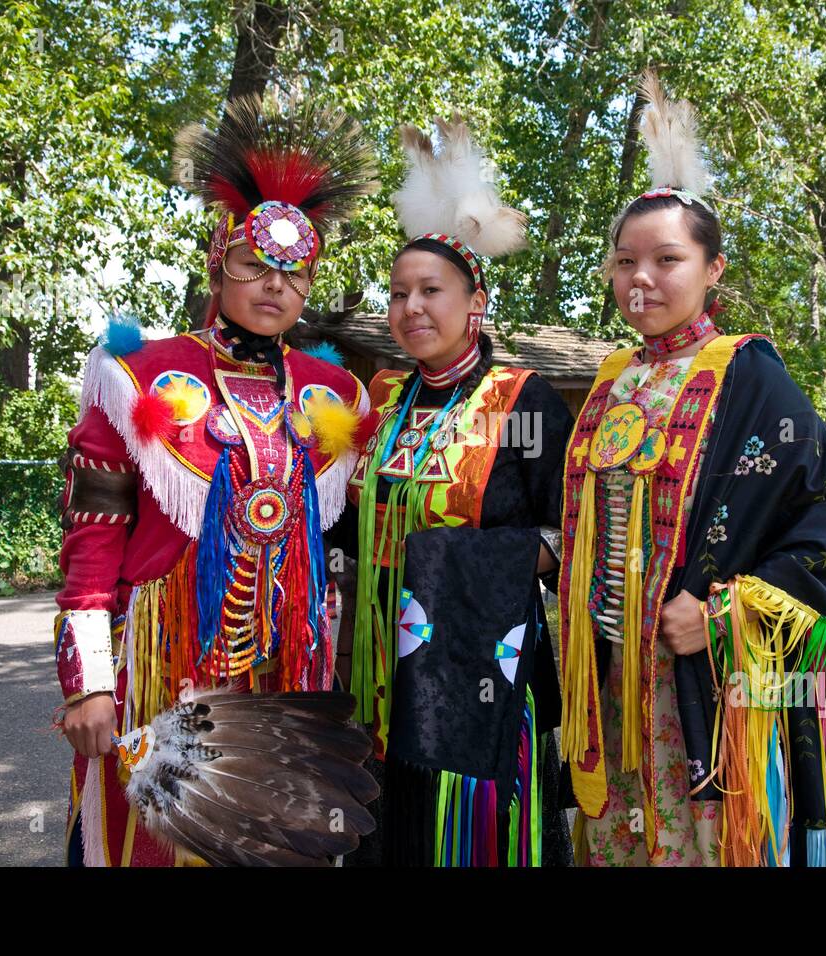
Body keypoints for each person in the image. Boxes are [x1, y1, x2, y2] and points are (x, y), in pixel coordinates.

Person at [54, 94, 380, 866]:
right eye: (254, 263)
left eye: (295, 271)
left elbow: (345, 540)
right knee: (152, 845)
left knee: (267, 846)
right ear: (216, 259)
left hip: (286, 675)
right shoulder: (138, 375)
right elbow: (91, 550)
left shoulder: (332, 397)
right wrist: (86, 682)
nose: (275, 285)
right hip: (162, 661)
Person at [558, 73, 826, 867]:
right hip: (612, 670)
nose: (641, 279)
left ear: (714, 269)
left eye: (666, 259)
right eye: (625, 262)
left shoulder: (750, 376)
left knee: (702, 840)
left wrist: (723, 612)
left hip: (700, 672)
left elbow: (822, 530)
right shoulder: (611, 376)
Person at [336, 116, 575, 865]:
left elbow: (570, 534)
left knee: (474, 833)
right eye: (398, 292)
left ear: (475, 302)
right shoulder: (381, 397)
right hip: (381, 666)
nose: (411, 308)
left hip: (483, 661)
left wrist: (460, 564)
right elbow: (348, 522)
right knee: (392, 821)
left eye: (431, 291)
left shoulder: (522, 400)